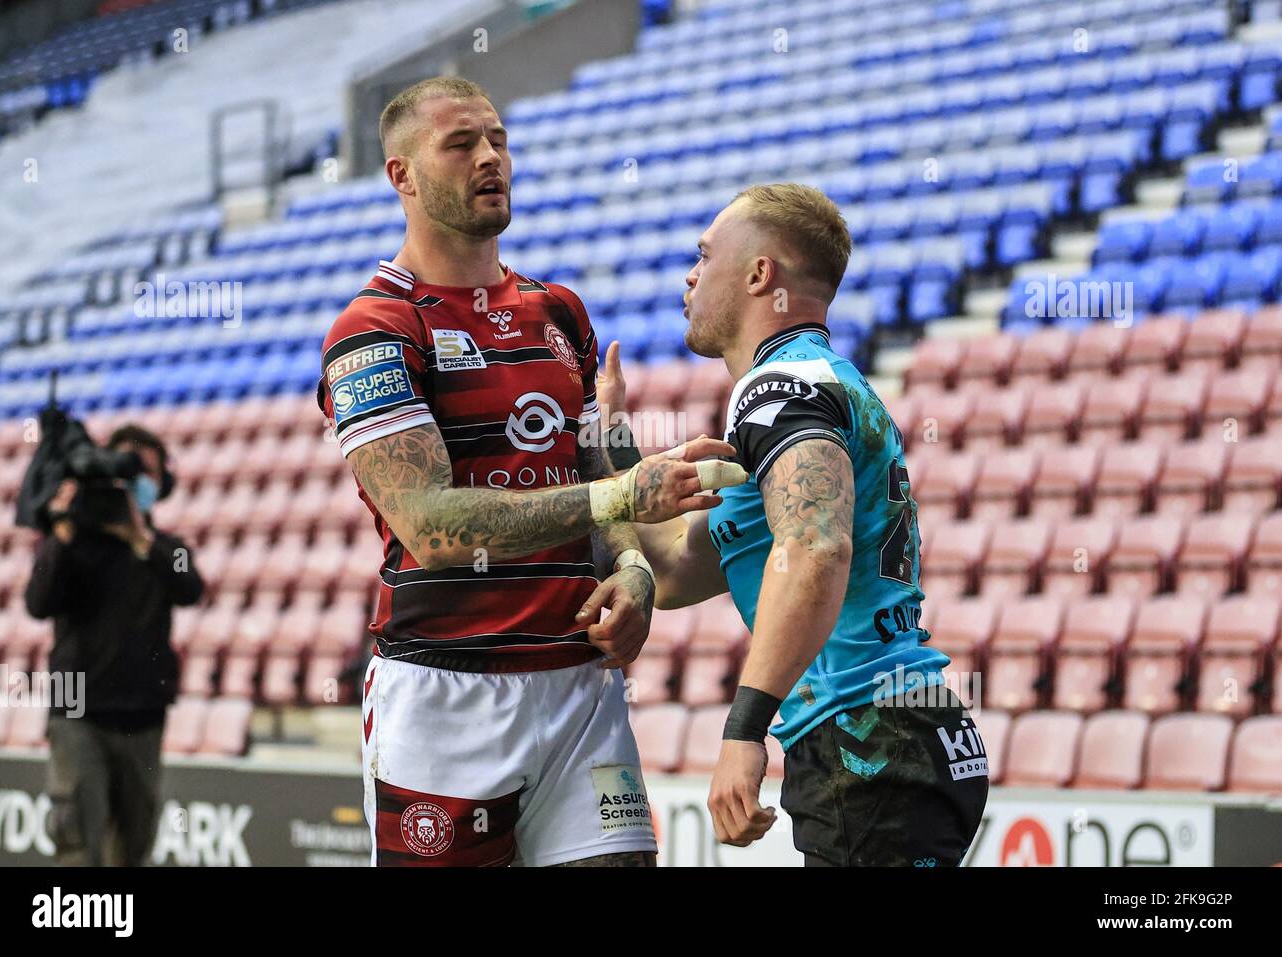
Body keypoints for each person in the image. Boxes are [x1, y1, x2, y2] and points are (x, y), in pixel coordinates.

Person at [316, 77, 745, 867]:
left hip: (580, 686)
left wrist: (631, 570)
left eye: (499, 140)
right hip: (448, 697)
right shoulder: (373, 328)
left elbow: (594, 479)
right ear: (401, 175)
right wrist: (619, 492)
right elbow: (433, 524)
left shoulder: (560, 312)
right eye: (461, 144)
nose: (491, 157)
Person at [601, 183, 990, 866]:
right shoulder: (819, 381)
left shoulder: (779, 386)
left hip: (867, 734)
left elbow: (815, 547)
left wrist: (744, 728)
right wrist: (612, 439)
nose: (691, 275)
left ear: (759, 275)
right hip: (900, 730)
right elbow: (671, 571)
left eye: (704, 255)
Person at [25, 423, 204, 866]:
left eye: (146, 470)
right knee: (77, 839)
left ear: (162, 483)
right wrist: (64, 526)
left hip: (142, 712)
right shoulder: (69, 543)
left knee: (134, 841)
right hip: (76, 710)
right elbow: (37, 601)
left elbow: (190, 587)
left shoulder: (169, 548)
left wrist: (140, 538)